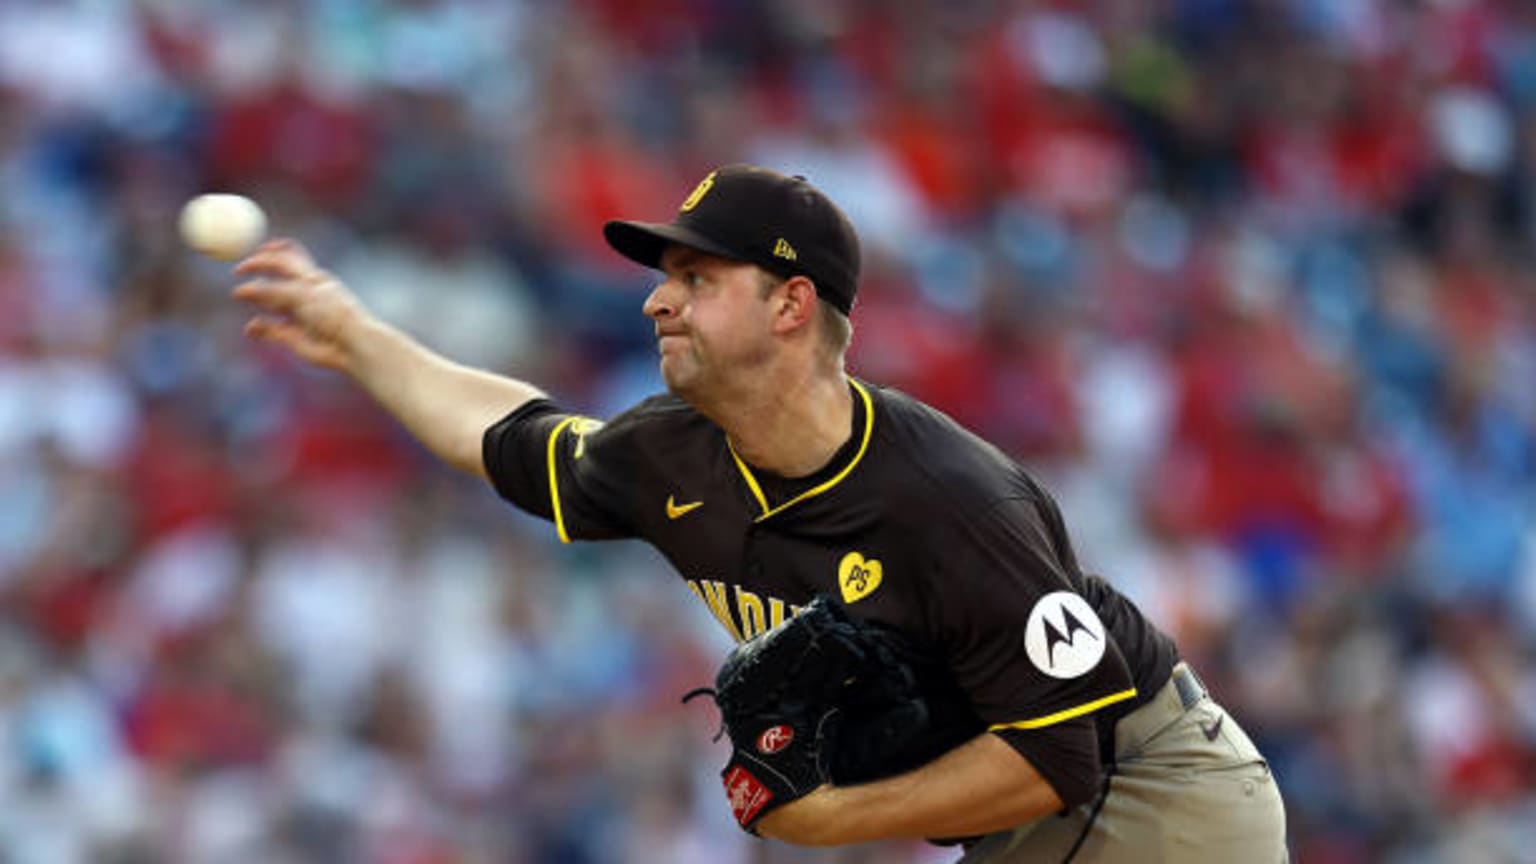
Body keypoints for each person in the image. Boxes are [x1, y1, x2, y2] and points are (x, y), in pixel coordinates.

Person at [231, 163, 1288, 862]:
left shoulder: (946, 500)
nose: (656, 298)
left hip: (1155, 799)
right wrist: (359, 336)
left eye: (695, 276)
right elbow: (511, 438)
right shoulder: (668, 454)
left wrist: (831, 820)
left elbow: (1062, 754)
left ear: (790, 306)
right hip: (1018, 828)